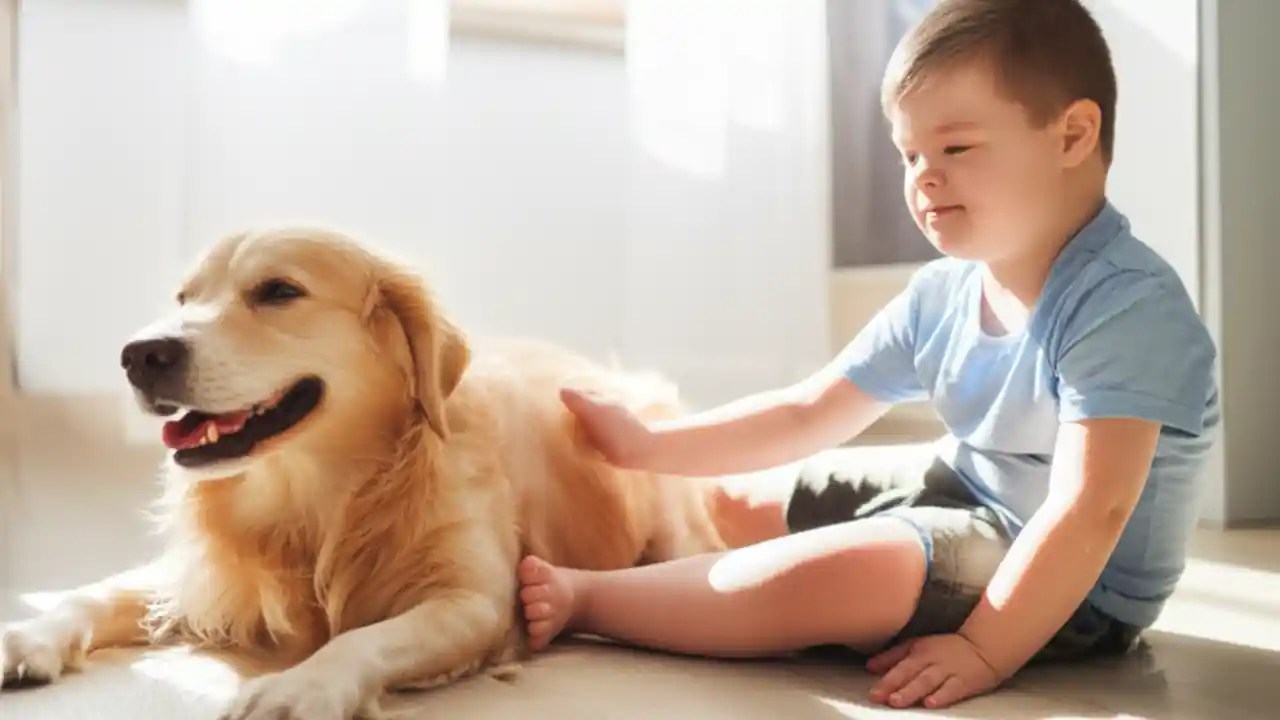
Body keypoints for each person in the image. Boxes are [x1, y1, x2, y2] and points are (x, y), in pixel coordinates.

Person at [517, 0, 1219, 709]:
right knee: (732, 499)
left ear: (1072, 134)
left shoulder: (1127, 305)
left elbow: (1089, 510)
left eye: (956, 148)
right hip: (965, 486)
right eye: (910, 154)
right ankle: (715, 591)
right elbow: (807, 411)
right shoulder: (943, 292)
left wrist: (986, 648)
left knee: (847, 572)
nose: (923, 177)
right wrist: (648, 444)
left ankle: (592, 601)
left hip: (1078, 587)